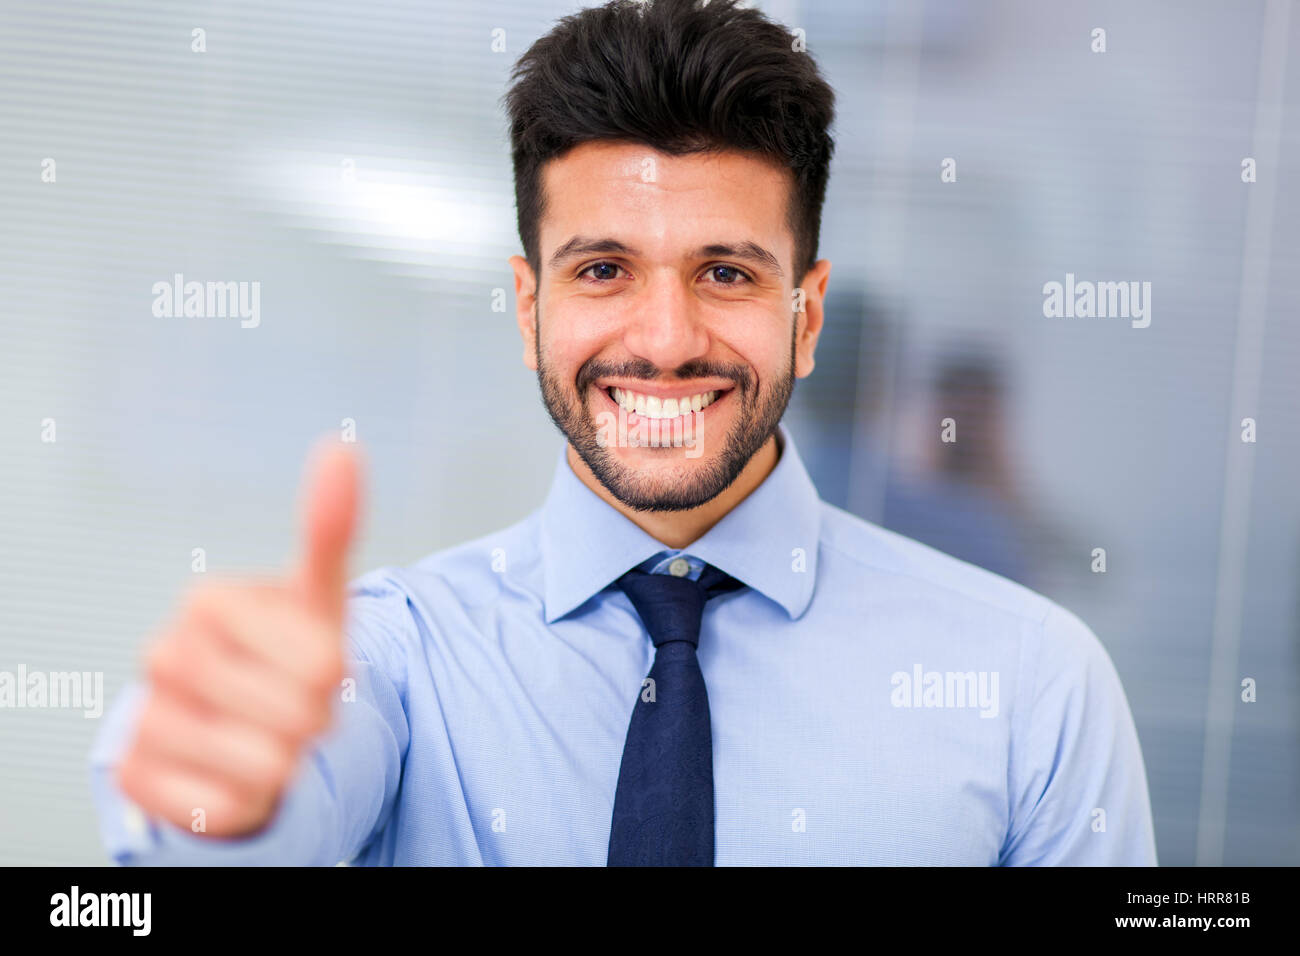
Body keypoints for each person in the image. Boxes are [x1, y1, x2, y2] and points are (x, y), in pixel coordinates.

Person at [89, 0, 1156, 866]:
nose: (664, 338)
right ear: (527, 306)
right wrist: (219, 810)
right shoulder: (392, 661)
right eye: (602, 269)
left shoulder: (1030, 682)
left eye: (725, 272)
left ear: (809, 314)